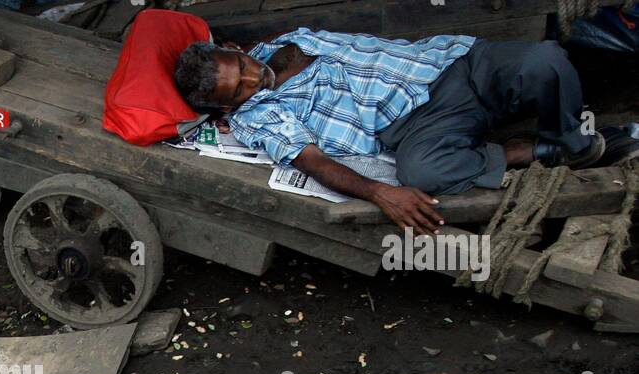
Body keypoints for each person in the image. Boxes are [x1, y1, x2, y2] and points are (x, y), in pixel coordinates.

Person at [173, 29, 638, 232]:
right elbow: (310, 161)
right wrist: (378, 191)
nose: (253, 79)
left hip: (453, 62)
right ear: (227, 108)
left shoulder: (292, 40)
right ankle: (535, 149)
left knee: (545, 60)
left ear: (234, 49)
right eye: (238, 91)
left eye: (242, 67)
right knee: (425, 174)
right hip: (420, 125)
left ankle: (572, 142)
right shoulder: (258, 118)